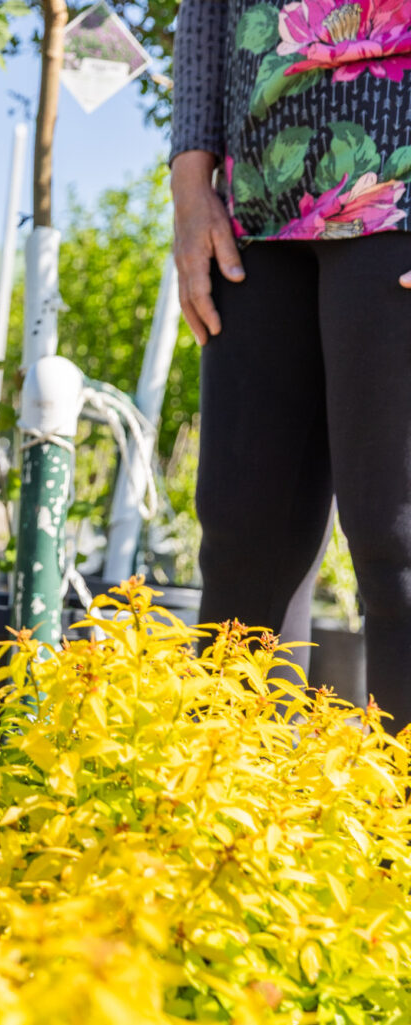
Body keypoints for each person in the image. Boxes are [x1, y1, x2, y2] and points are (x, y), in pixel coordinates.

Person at [171, 0, 411, 714]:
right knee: (244, 543)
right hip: (255, 200)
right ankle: (234, 815)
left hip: (398, 183)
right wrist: (189, 182)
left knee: (398, 542)